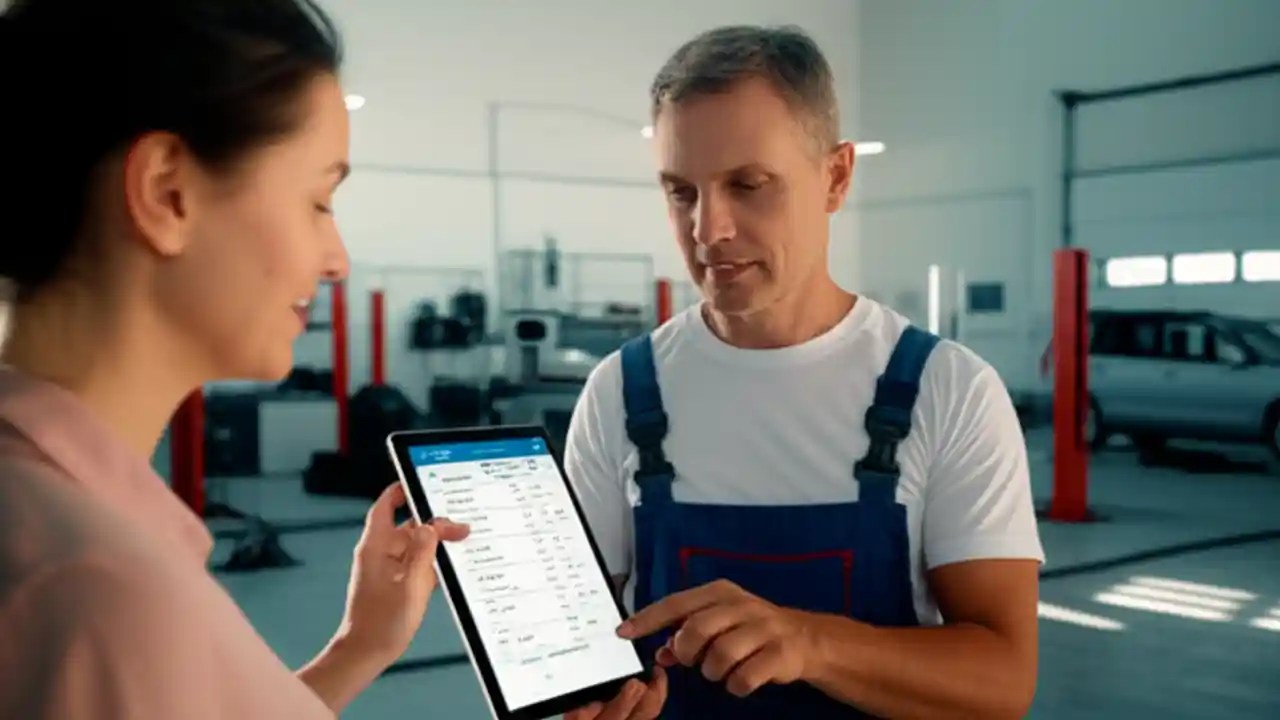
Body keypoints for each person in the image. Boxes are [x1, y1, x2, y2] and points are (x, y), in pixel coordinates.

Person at [0, 1, 467, 718]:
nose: (336, 261)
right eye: (318, 201)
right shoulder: (99, 592)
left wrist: (360, 646)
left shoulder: (51, 519)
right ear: (167, 193)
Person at [564, 25, 1045, 720]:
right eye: (680, 192)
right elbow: (585, 647)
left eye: (748, 185)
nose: (708, 230)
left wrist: (813, 643)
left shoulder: (947, 390)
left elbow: (1002, 682)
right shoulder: (621, 390)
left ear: (837, 176)